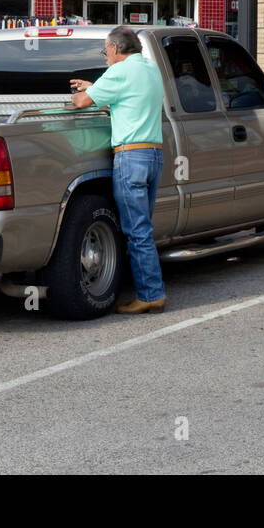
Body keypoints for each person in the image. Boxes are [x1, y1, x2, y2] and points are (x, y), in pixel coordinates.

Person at [69, 27, 168, 314]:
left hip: (130, 157)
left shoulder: (119, 72)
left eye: (105, 52)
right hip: (153, 155)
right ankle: (152, 291)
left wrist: (85, 92)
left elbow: (81, 102)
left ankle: (151, 294)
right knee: (143, 229)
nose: (106, 57)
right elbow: (127, 99)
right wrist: (96, 85)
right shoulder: (150, 69)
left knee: (136, 232)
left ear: (114, 48)